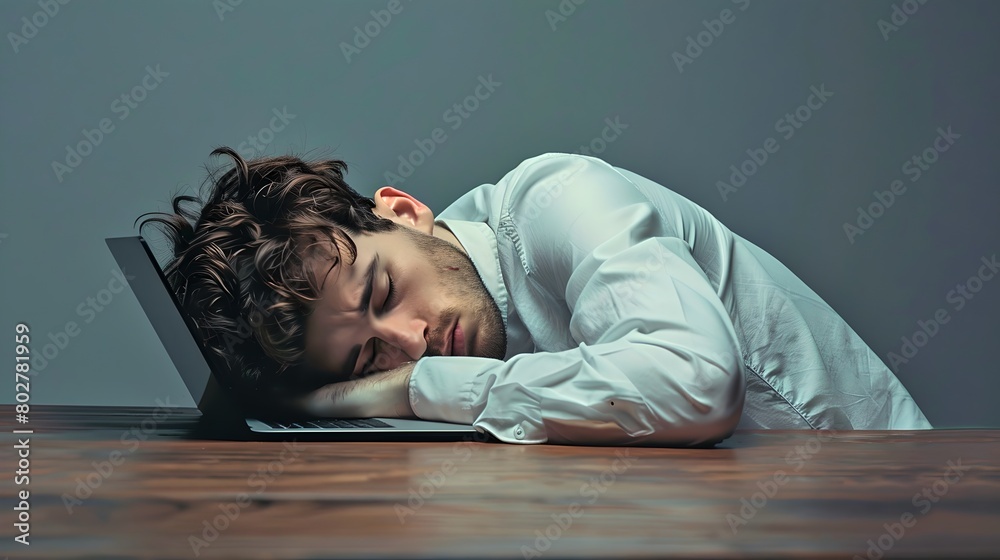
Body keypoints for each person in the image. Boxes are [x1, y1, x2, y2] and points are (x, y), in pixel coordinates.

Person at [138, 147, 932, 446]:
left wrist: (413, 388)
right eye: (365, 358)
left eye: (385, 290)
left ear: (404, 211)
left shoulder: (559, 197)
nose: (411, 341)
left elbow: (694, 385)